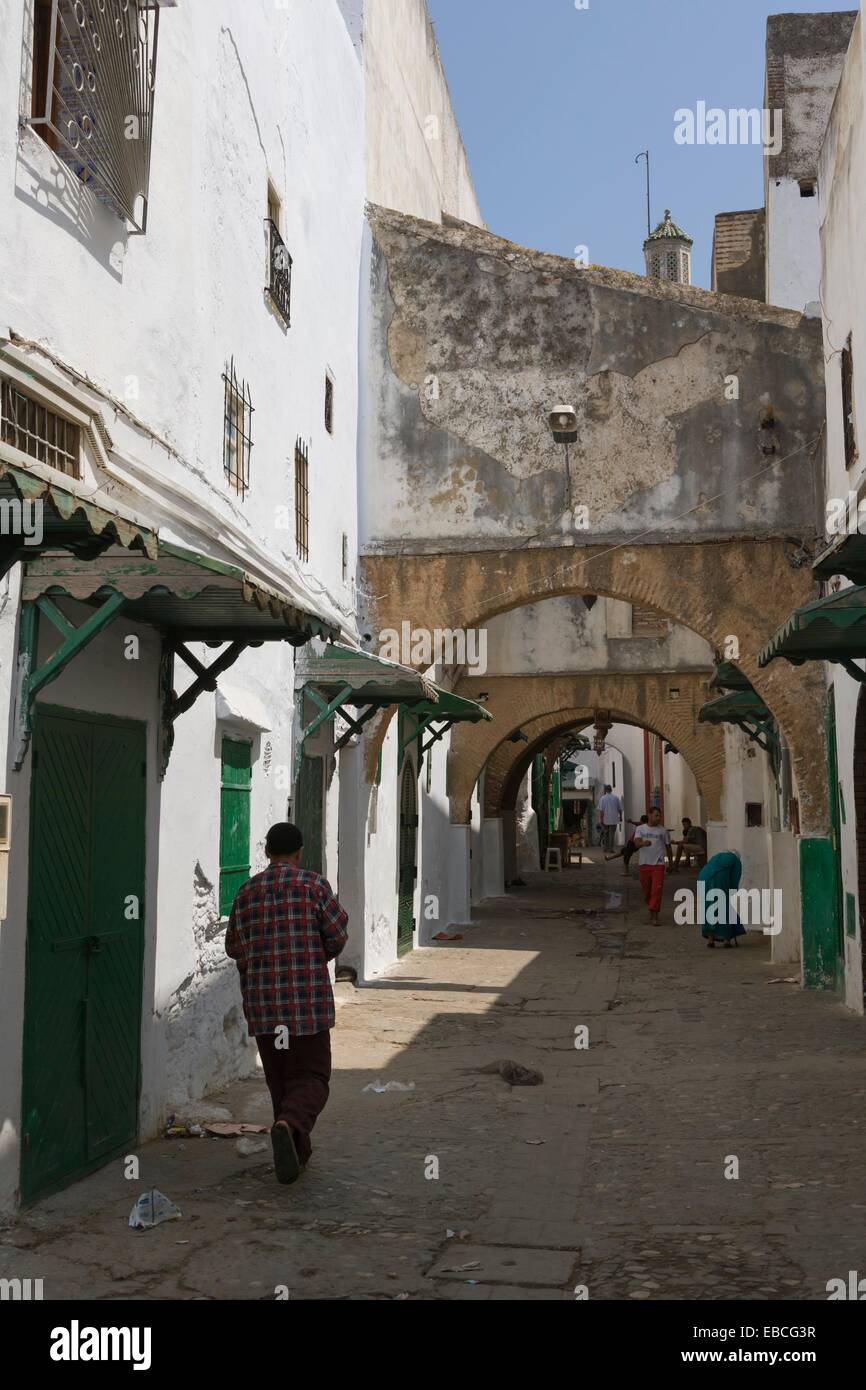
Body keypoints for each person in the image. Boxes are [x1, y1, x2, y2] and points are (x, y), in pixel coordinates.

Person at [225, 823, 348, 1185]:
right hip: (306, 1005)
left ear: (266, 853)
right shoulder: (313, 885)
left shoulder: (246, 892)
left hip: (266, 1009)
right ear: (298, 852)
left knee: (280, 1082)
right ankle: (290, 1126)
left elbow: (234, 947)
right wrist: (315, 956)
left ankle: (296, 1151)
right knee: (311, 1076)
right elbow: (338, 935)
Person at [697, 851, 746, 948]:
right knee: (724, 908)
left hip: (703, 877)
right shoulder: (736, 861)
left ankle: (711, 940)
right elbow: (734, 880)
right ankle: (726, 940)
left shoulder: (716, 856)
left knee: (708, 907)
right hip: (719, 880)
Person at [633, 807, 673, 924]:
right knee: (647, 890)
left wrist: (671, 863)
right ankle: (651, 910)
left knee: (656, 890)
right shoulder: (640, 829)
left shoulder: (663, 831)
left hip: (658, 864)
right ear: (649, 815)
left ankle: (654, 915)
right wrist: (643, 843)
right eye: (656, 815)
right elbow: (636, 843)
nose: (658, 818)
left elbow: (668, 847)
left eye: (659, 816)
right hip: (644, 864)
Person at [596, 785, 623, 858]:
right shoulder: (616, 798)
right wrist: (620, 817)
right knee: (612, 834)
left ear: (605, 790)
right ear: (611, 790)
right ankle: (611, 849)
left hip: (605, 819)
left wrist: (601, 819)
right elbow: (620, 809)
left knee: (606, 834)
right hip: (614, 819)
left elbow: (601, 810)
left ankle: (605, 848)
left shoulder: (603, 798)